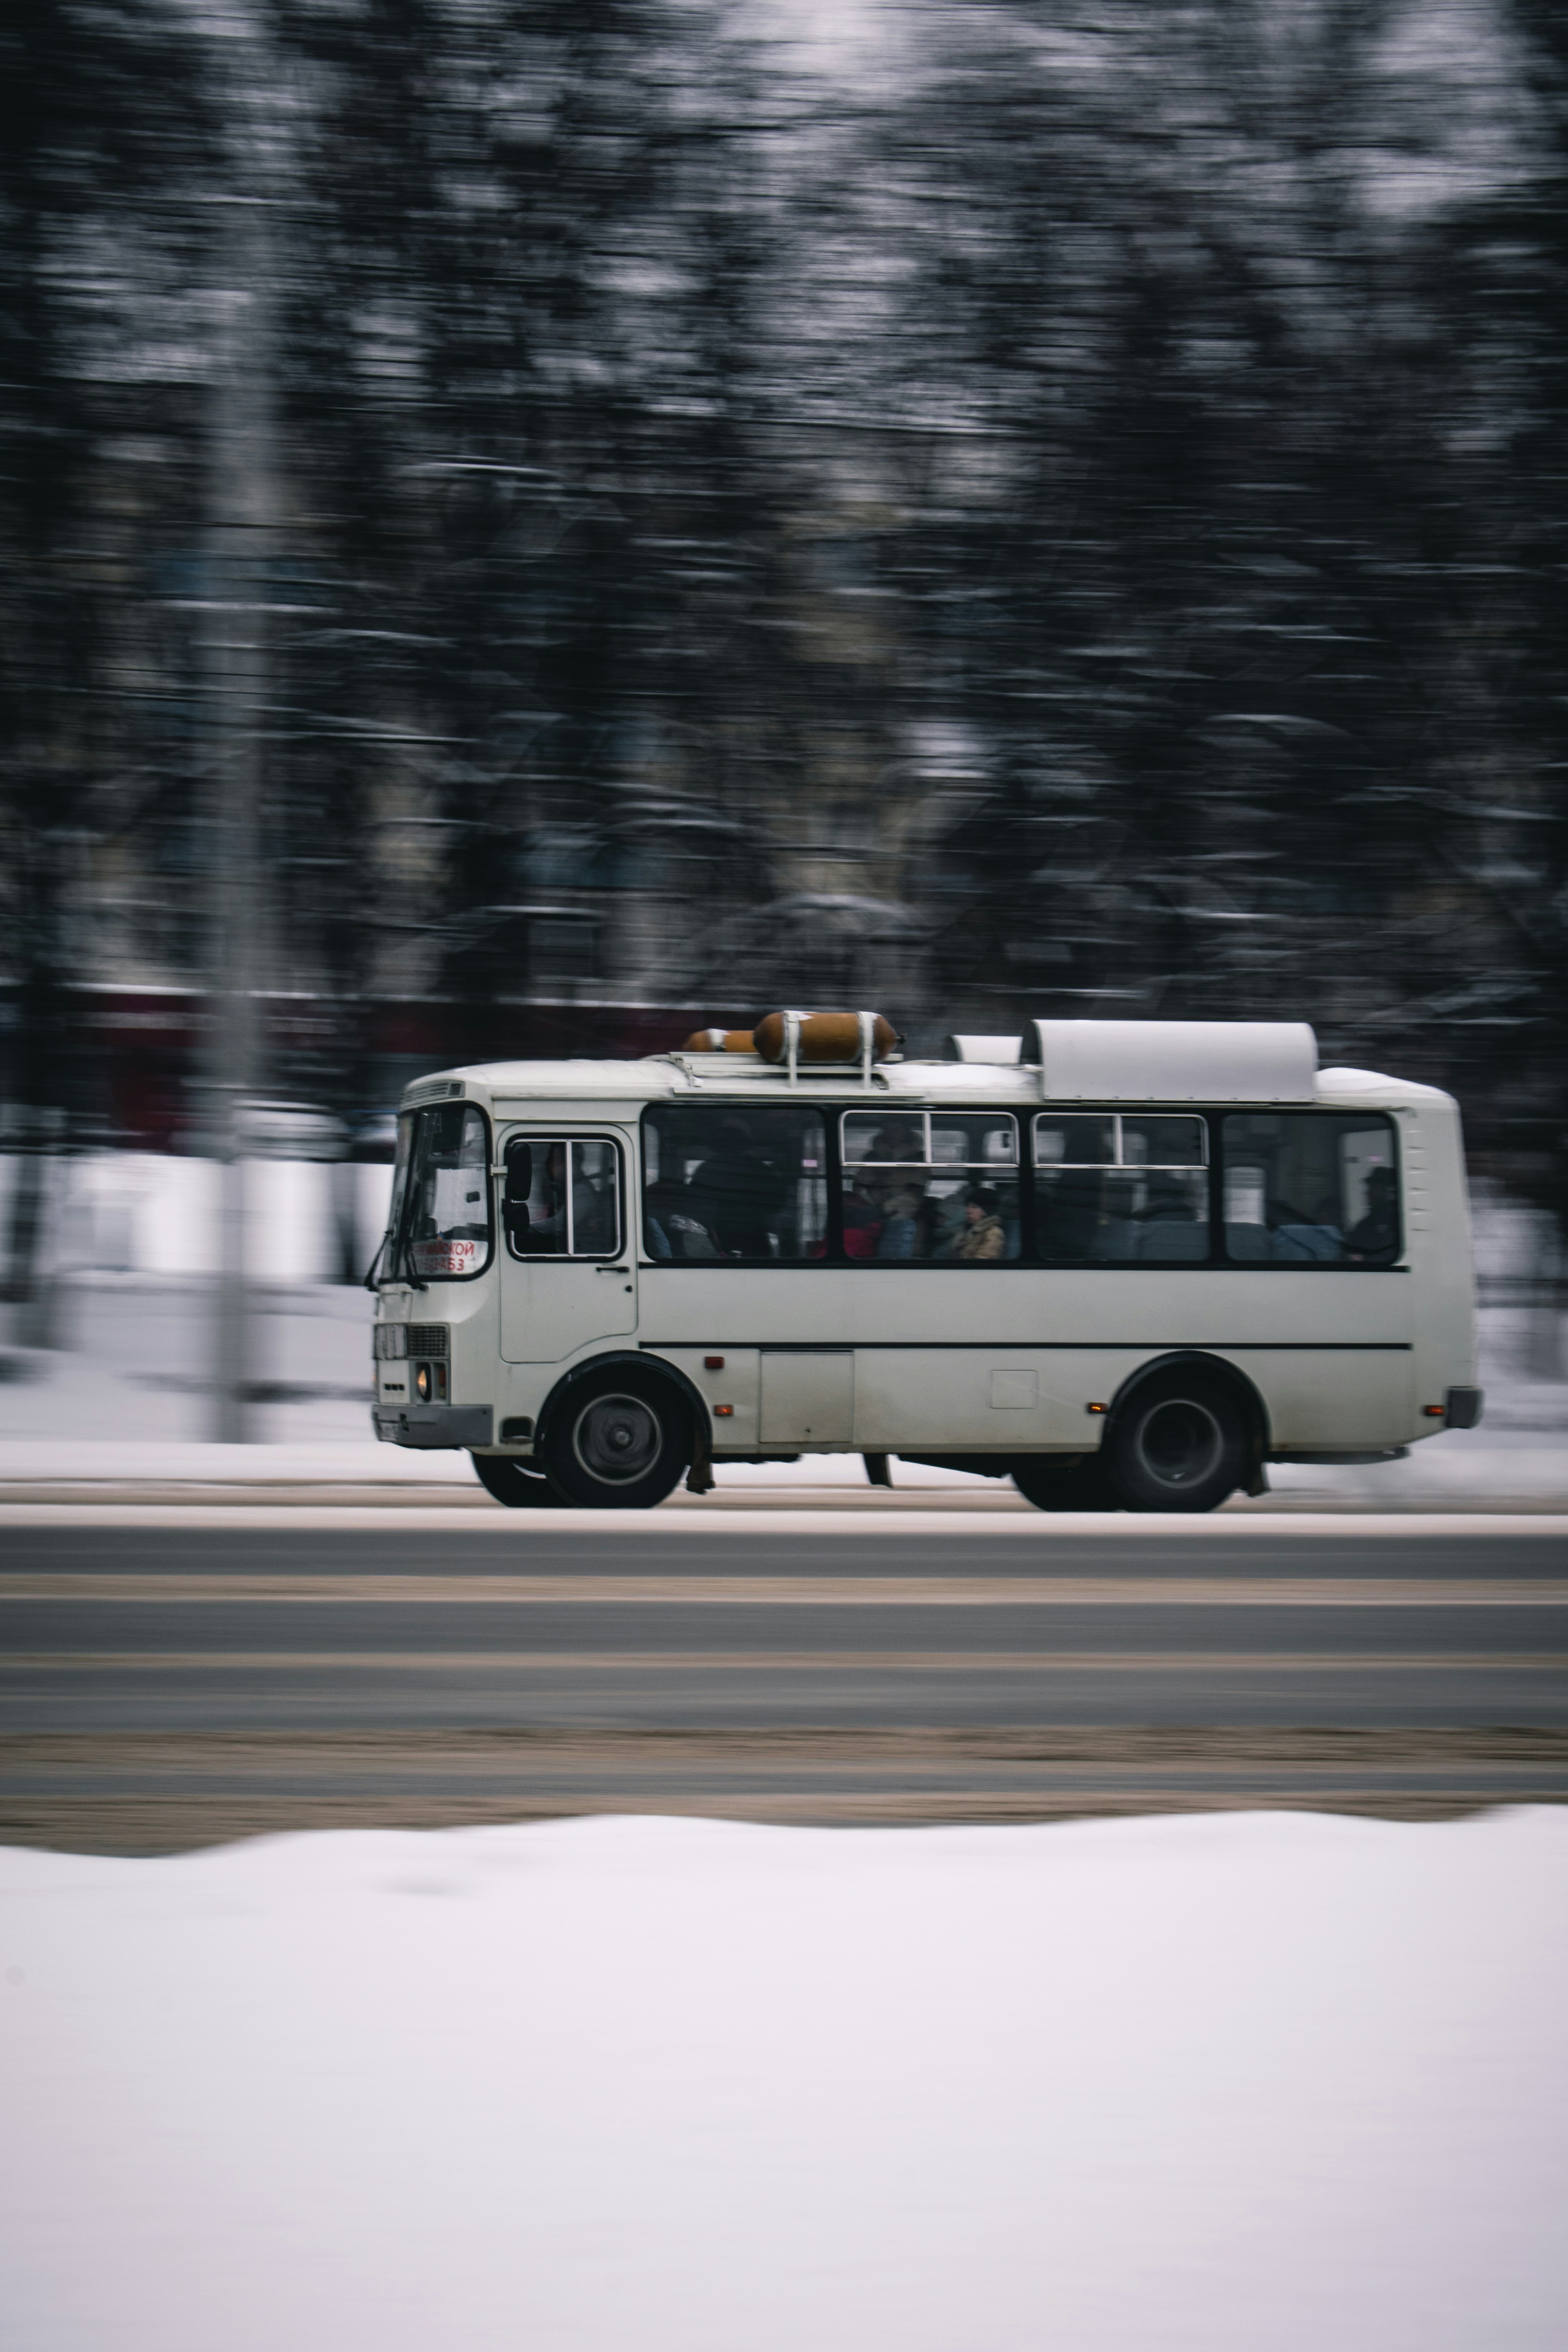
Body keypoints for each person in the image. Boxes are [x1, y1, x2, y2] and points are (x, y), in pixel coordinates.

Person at [1347, 1165, 1398, 1262]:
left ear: (1387, 1192)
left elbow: (1389, 1255)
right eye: (1370, 1187)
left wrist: (1365, 1260)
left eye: (1374, 1188)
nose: (1368, 1192)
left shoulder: (1395, 1220)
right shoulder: (1366, 1224)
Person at [957, 1185, 1006, 1262]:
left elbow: (983, 1263)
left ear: (986, 1211)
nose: (968, 1211)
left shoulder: (993, 1233)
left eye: (974, 1207)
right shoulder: (967, 1229)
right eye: (968, 1206)